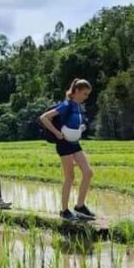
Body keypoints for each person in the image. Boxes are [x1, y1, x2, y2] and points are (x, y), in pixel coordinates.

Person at [40, 79, 95, 222]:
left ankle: (80, 207)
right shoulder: (66, 104)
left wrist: (80, 129)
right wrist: (57, 133)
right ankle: (64, 211)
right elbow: (44, 118)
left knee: (88, 173)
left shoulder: (78, 107)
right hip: (64, 144)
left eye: (88, 94)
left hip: (75, 143)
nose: (86, 97)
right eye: (84, 94)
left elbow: (74, 124)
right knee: (69, 177)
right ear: (76, 91)